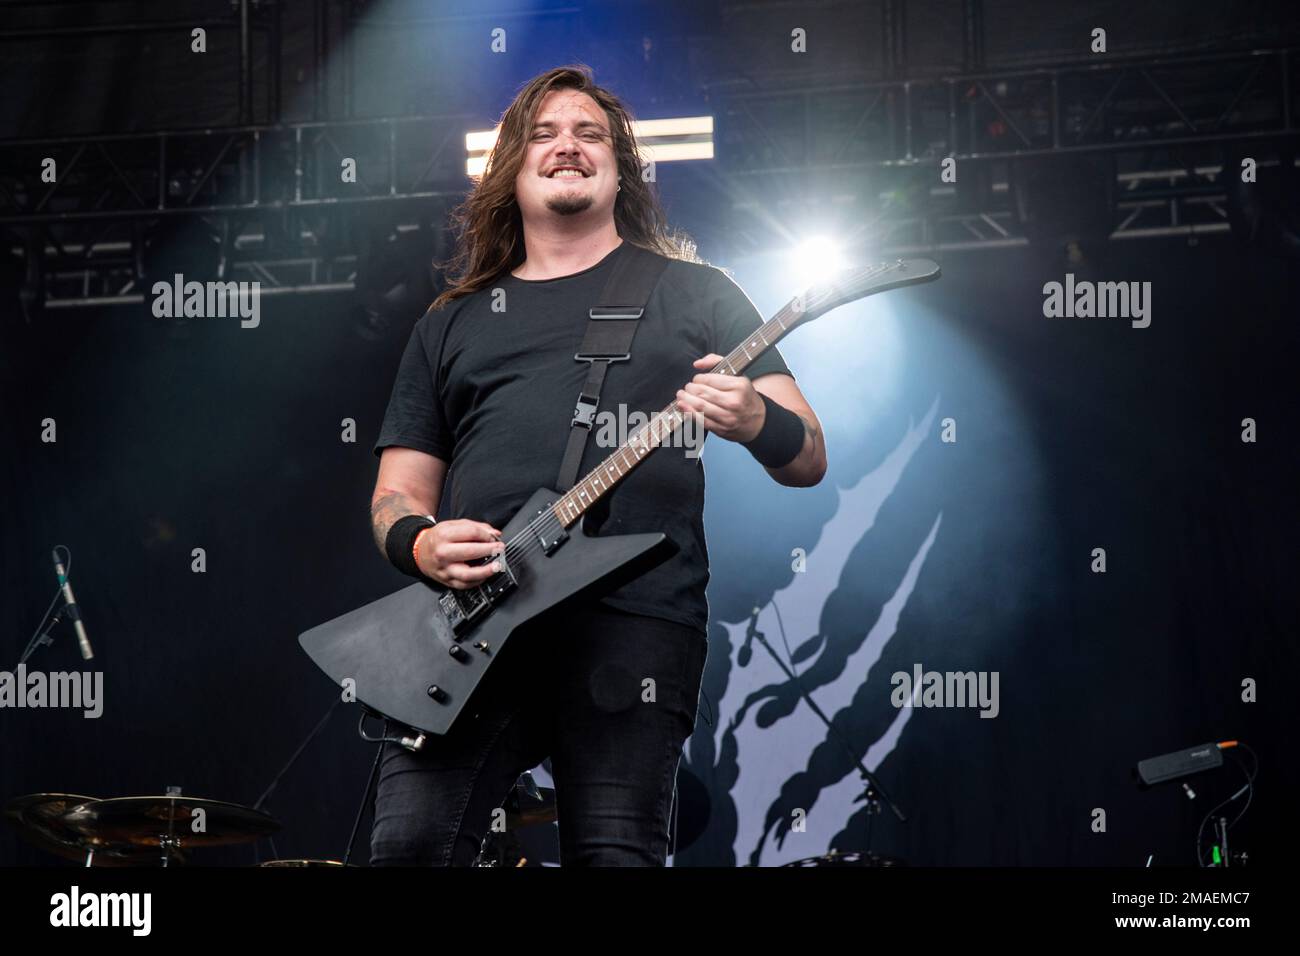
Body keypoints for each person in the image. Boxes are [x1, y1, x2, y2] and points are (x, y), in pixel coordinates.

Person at [368, 64, 826, 866]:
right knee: (409, 846)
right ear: (511, 167)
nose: (567, 146)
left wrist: (754, 418)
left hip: (634, 620)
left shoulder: (697, 292)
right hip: (471, 629)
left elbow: (809, 454)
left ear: (621, 168)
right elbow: (396, 493)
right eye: (542, 134)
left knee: (615, 854)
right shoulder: (452, 322)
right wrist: (418, 543)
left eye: (590, 134)